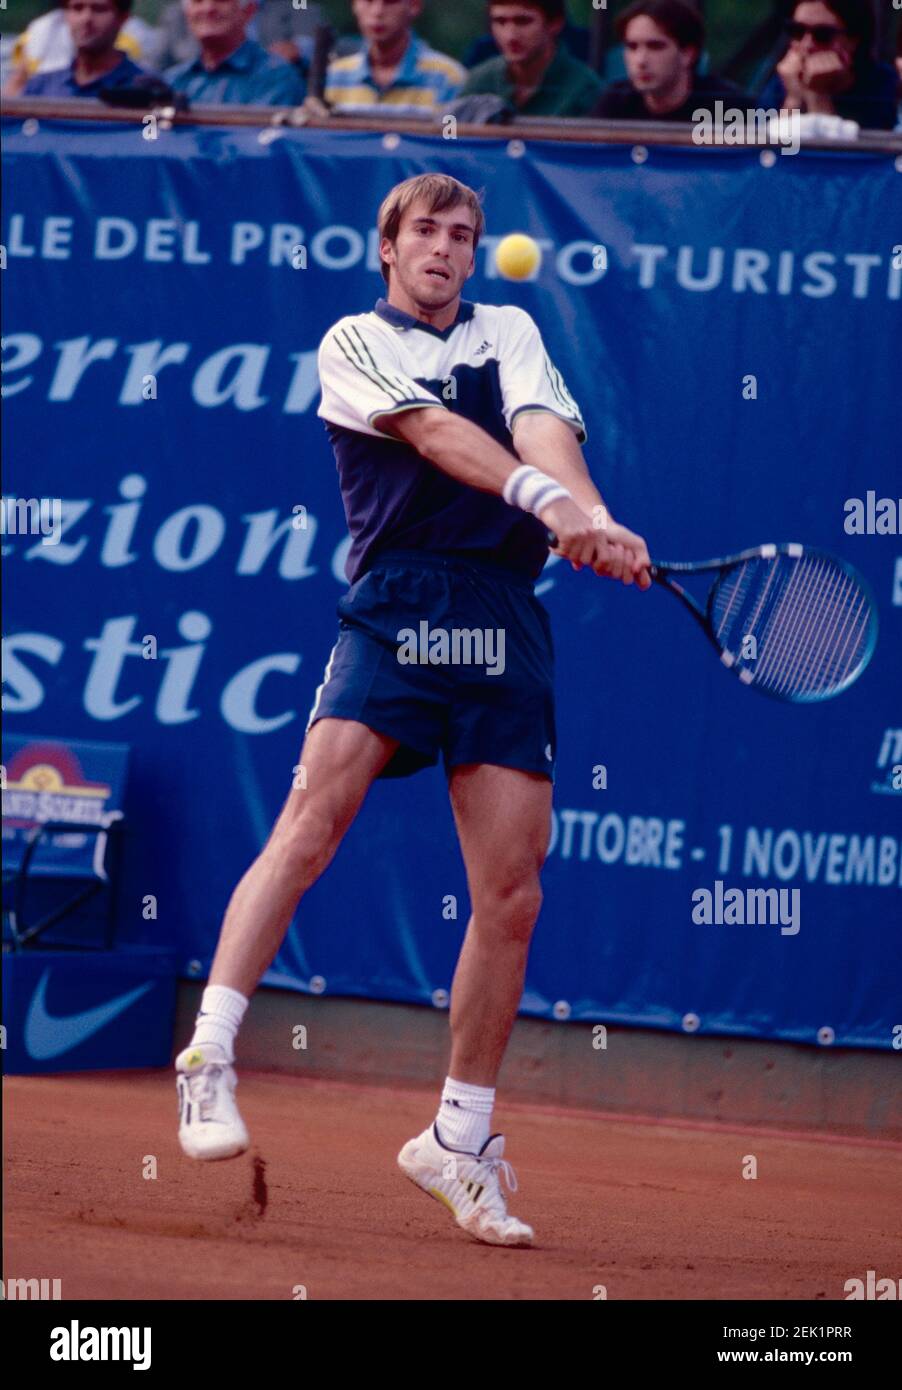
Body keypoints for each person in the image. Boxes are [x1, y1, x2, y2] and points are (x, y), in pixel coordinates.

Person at [174, 171, 651, 1248]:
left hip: (502, 617)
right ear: (387, 248)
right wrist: (548, 505)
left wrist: (594, 517)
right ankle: (208, 1053)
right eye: (425, 230)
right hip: (398, 604)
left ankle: (457, 1140)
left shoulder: (510, 328)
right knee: (309, 828)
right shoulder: (350, 340)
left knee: (512, 893)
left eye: (461, 233)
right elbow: (440, 439)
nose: (444, 246)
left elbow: (538, 428)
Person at [592, 0, 752, 122]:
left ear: (687, 54)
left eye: (655, 46)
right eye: (632, 47)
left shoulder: (728, 107)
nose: (641, 60)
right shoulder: (616, 102)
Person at [758, 0, 897, 132]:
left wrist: (818, 96)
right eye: (797, 31)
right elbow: (764, 152)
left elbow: (842, 155)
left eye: (822, 35)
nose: (807, 45)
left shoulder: (884, 86)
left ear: (853, 41)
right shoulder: (783, 81)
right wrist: (793, 100)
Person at [460, 0, 603, 117]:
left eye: (523, 21)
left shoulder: (584, 88)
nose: (510, 36)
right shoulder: (479, 80)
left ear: (555, 24)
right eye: (500, 21)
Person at [323, 0, 464, 114]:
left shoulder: (447, 78)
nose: (377, 12)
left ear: (414, 6)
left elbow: (450, 143)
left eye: (390, 2)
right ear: (354, 5)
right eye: (368, 1)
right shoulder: (334, 76)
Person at [164, 0, 306, 106]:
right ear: (187, 14)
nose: (208, 8)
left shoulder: (278, 78)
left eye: (221, 0)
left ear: (248, 11)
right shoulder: (173, 81)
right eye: (198, 1)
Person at [5, 0, 162, 95]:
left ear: (122, 18)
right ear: (65, 15)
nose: (86, 19)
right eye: (77, 8)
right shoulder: (40, 88)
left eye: (99, 9)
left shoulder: (148, 90)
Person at [154, 0, 326, 79]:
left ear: (248, 11)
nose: (208, 8)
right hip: (196, 91)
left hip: (262, 90)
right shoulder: (178, 13)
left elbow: (321, 47)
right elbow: (156, 66)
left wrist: (298, 50)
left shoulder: (296, 4)